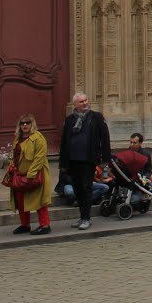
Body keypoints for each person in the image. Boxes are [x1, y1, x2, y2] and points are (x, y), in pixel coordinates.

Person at [58, 91, 111, 230]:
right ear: (75, 104)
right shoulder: (69, 120)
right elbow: (64, 142)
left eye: (86, 100)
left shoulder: (96, 117)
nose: (85, 103)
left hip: (88, 160)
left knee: (86, 187)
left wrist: (105, 160)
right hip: (72, 160)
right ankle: (81, 216)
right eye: (81, 101)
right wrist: (62, 163)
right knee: (77, 188)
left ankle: (86, 218)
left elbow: (104, 139)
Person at [8, 114, 54, 236]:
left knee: (39, 201)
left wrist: (31, 174)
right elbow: (15, 155)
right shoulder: (18, 138)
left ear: (32, 124)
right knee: (20, 201)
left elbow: (39, 158)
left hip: (35, 175)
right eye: (22, 123)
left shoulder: (38, 138)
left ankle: (45, 225)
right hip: (19, 175)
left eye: (27, 123)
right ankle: (25, 224)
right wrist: (12, 166)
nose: (24, 125)